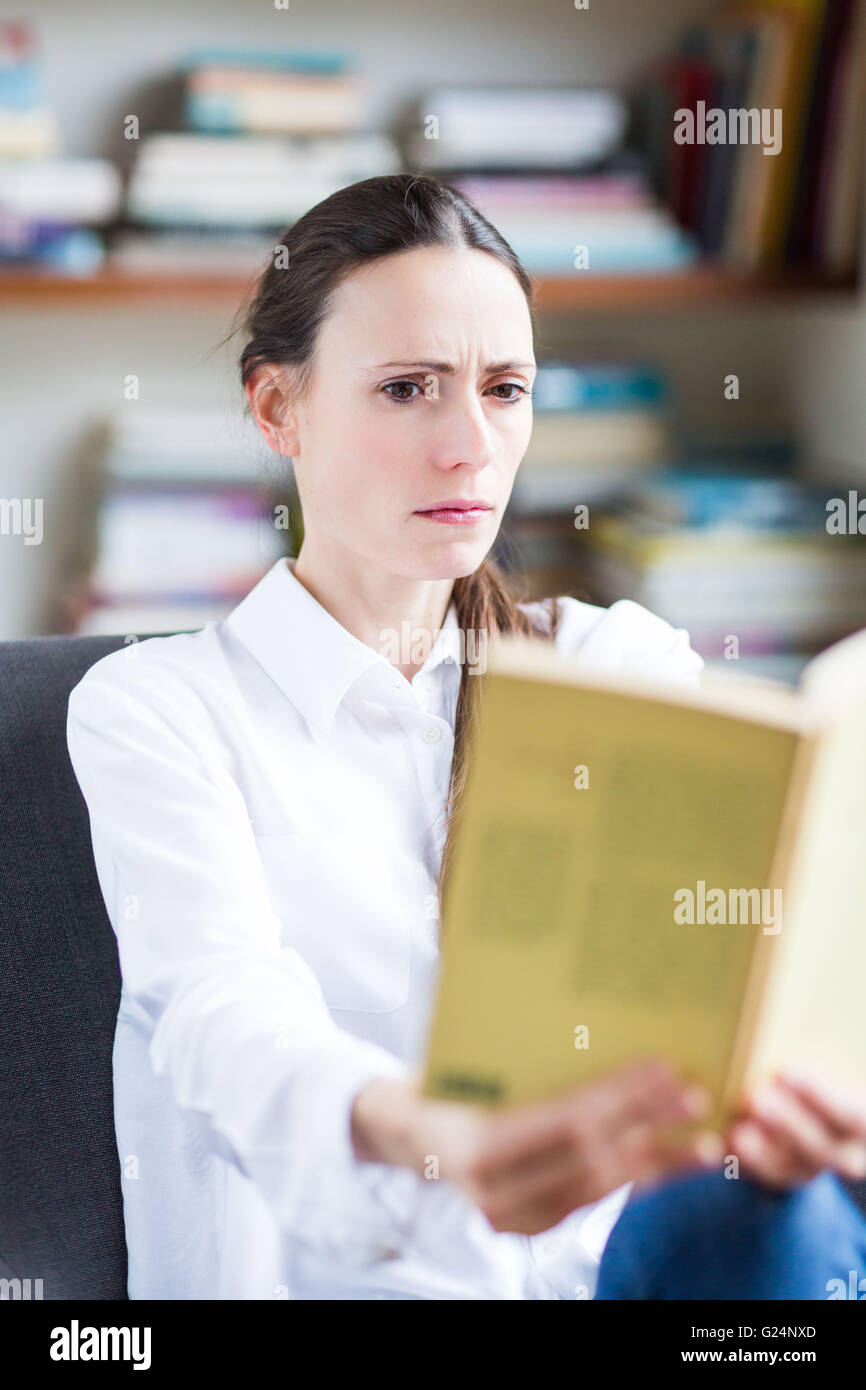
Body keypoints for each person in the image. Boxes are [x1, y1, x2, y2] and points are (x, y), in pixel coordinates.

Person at [66, 173, 866, 1301]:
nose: (470, 446)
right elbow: (220, 1017)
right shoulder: (160, 707)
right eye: (407, 389)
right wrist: (429, 1137)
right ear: (276, 408)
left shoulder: (614, 664)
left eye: (504, 390)